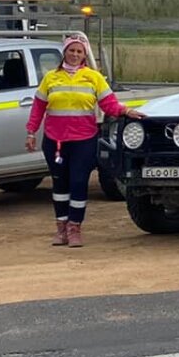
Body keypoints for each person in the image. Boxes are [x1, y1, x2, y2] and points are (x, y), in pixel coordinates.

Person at [25, 33, 126, 247]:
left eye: (79, 51)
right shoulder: (51, 78)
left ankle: (74, 228)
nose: (75, 54)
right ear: (64, 52)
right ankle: (61, 228)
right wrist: (31, 132)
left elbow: (110, 105)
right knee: (59, 184)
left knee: (79, 182)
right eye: (71, 50)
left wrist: (127, 112)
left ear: (84, 55)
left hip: (84, 139)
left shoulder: (94, 77)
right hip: (55, 141)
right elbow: (38, 107)